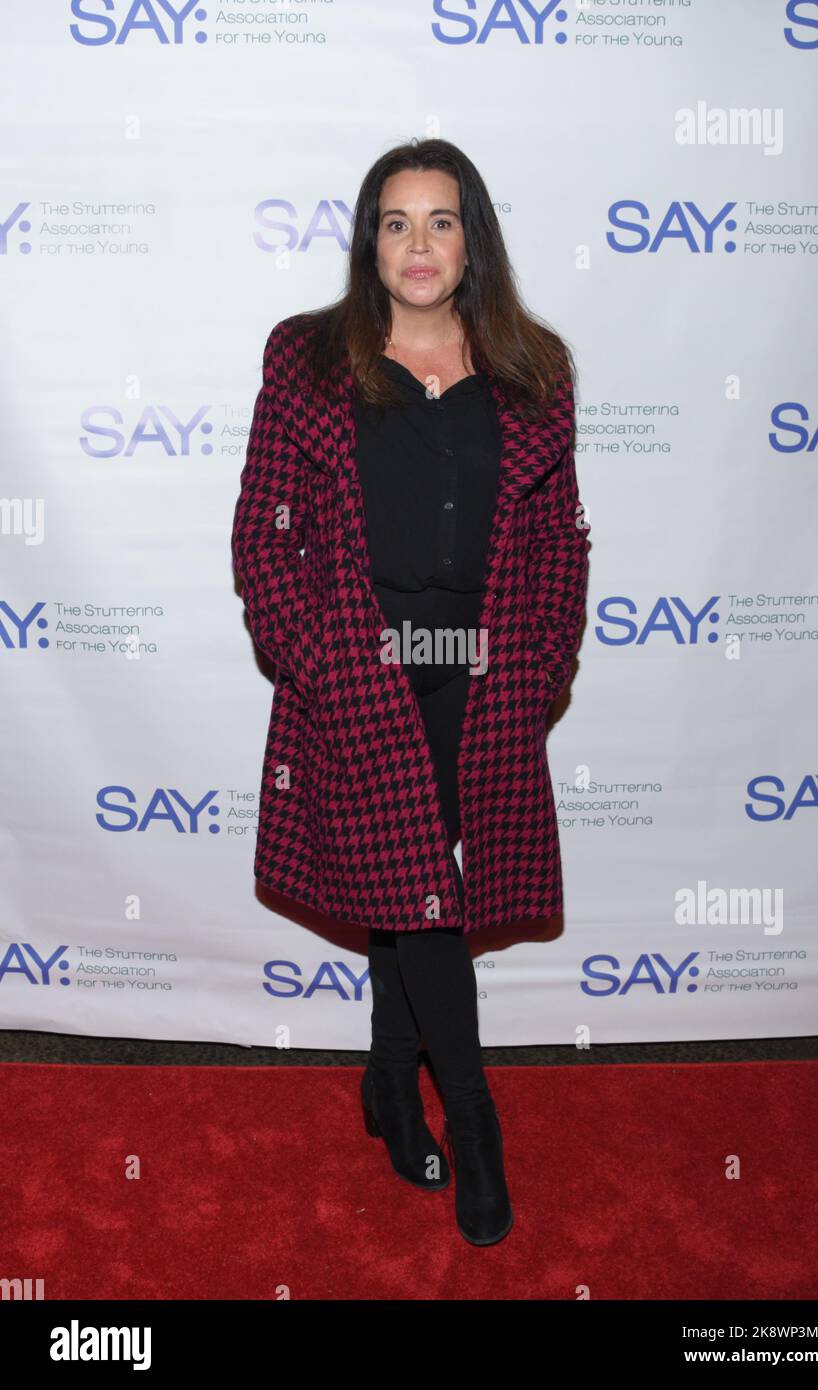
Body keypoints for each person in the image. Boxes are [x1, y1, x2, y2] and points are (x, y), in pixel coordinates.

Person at [231, 138, 590, 1247]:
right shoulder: (307, 359)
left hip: (479, 677)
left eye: (440, 221)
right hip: (358, 667)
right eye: (395, 221)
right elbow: (262, 533)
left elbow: (558, 541)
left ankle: (389, 1087)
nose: (417, 244)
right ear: (367, 239)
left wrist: (532, 665)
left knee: (413, 892)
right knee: (423, 895)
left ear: (470, 238)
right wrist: (318, 659)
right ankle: (472, 1121)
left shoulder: (532, 367)